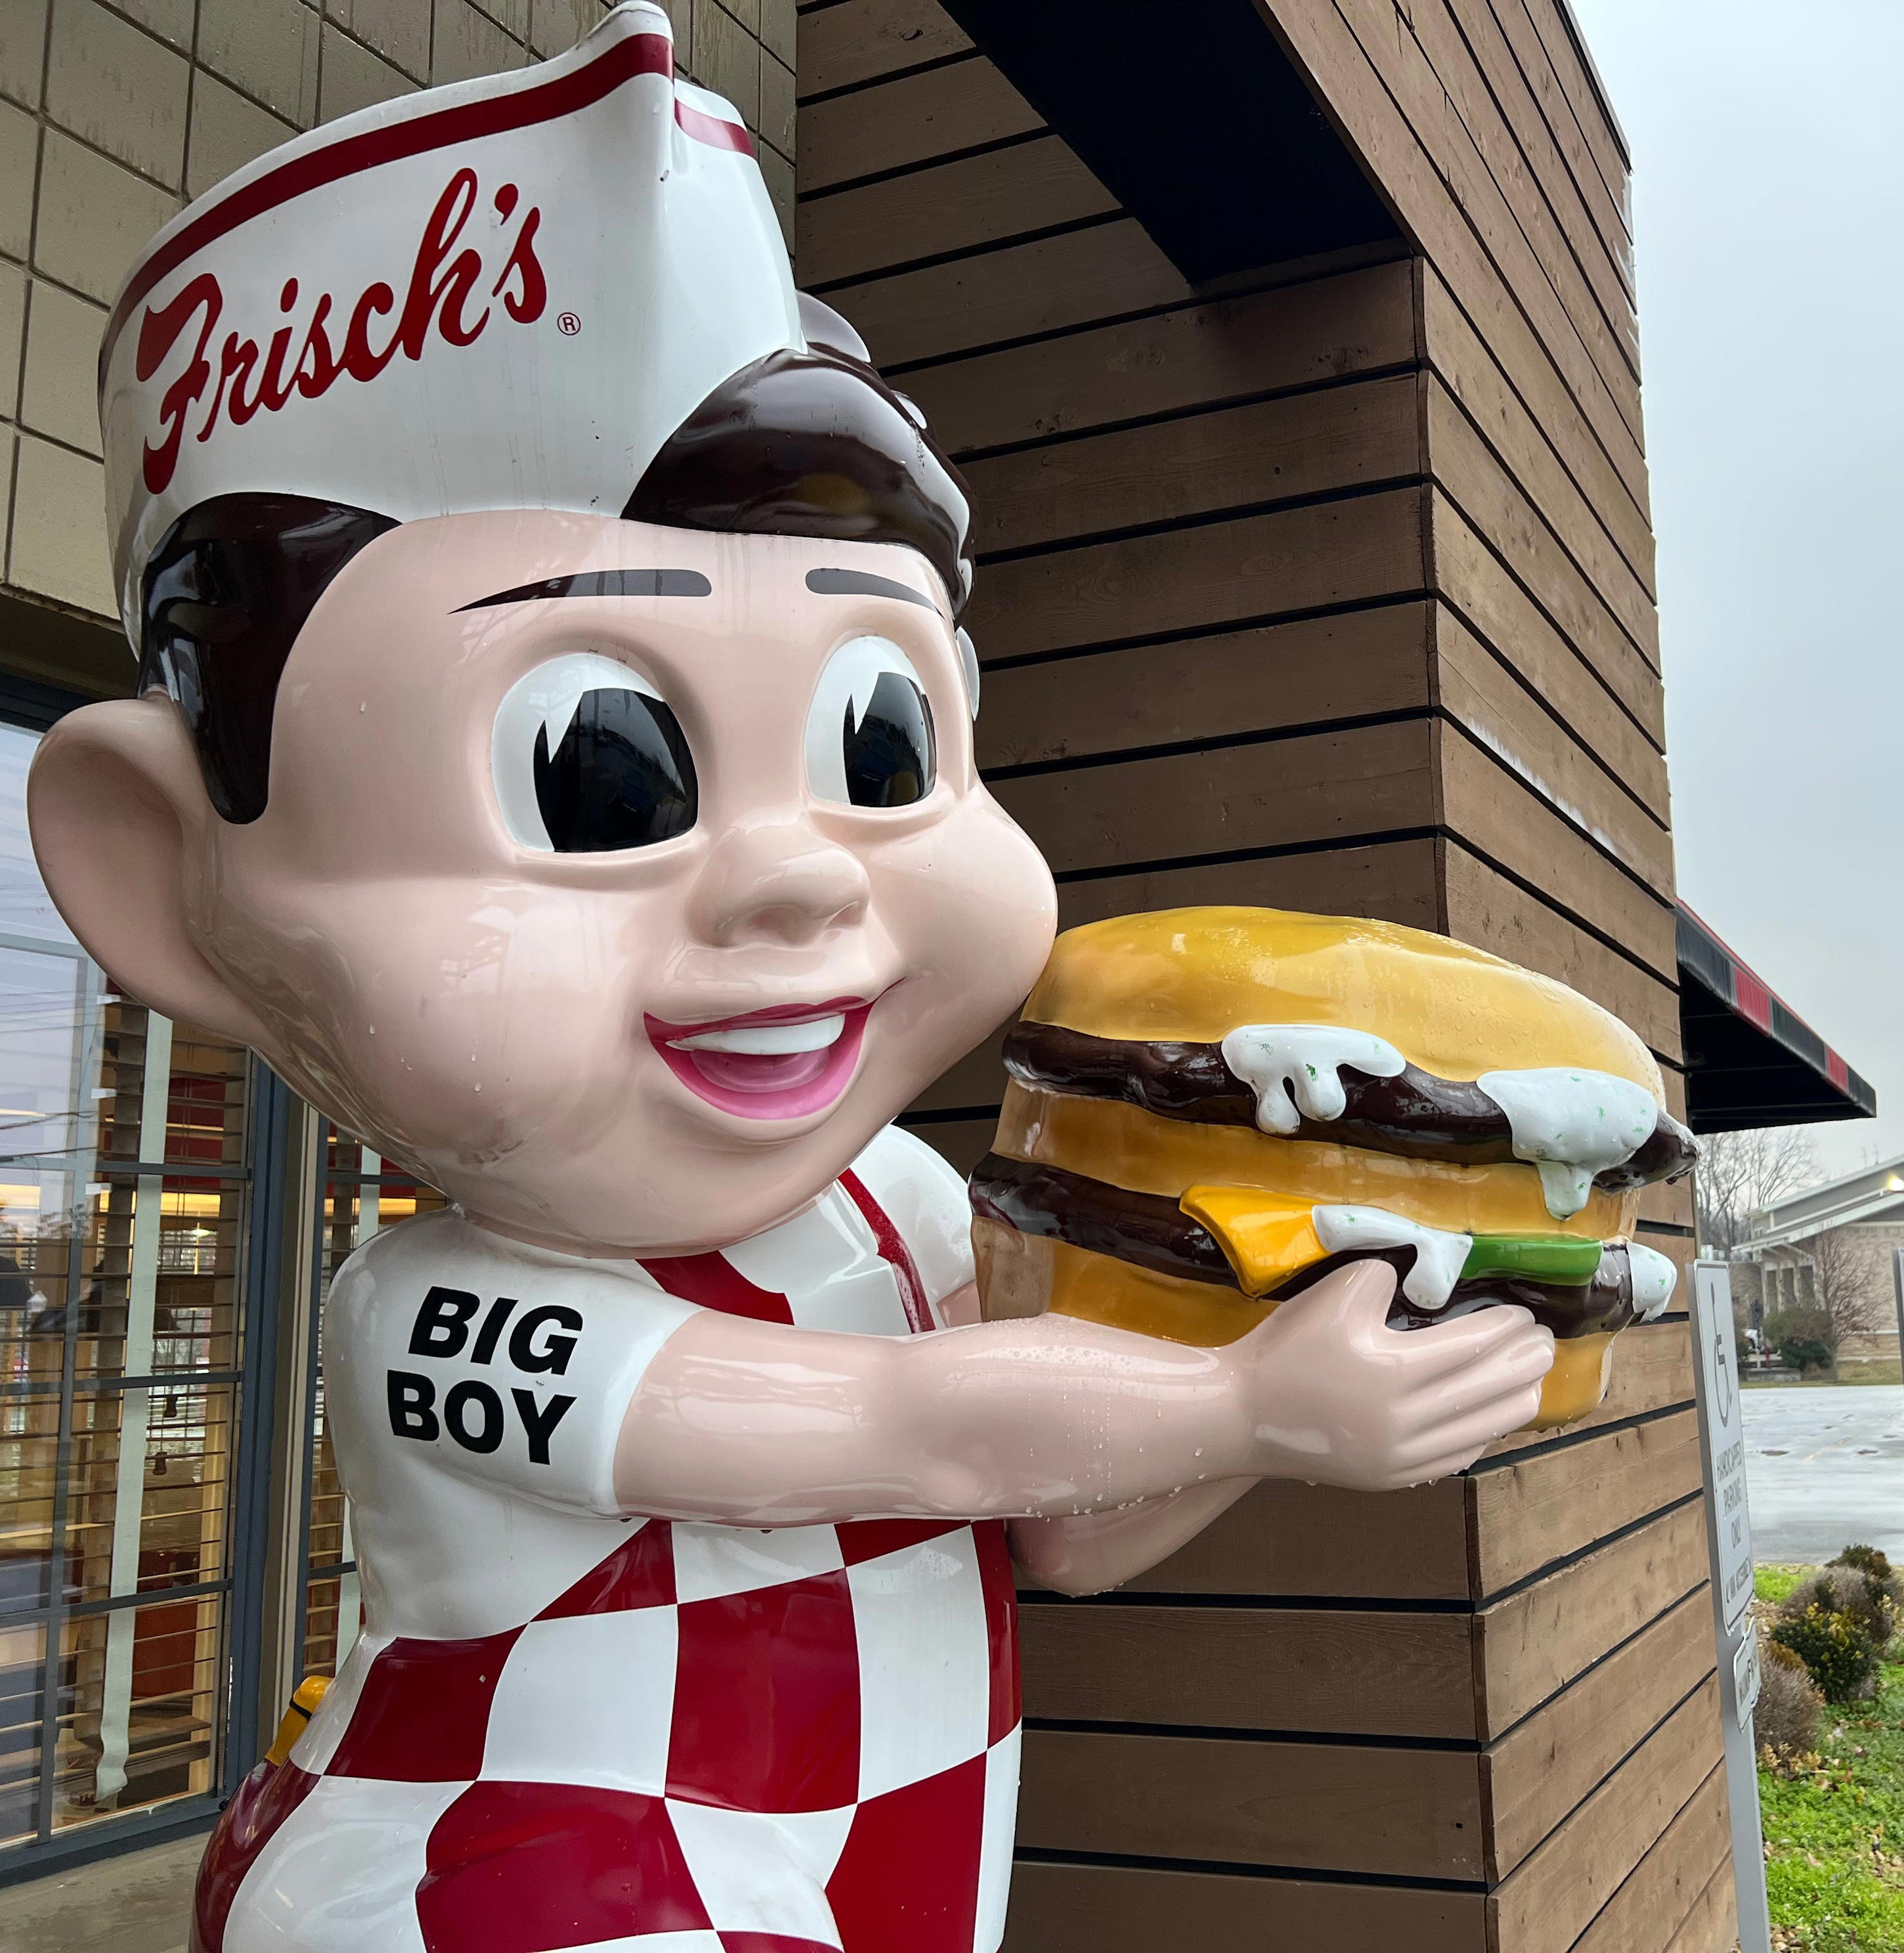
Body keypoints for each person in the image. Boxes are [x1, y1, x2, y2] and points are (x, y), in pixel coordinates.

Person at [28, 11, 1554, 1949]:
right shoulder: (432, 1312)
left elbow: (1062, 1527)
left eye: (880, 751)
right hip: (528, 1874)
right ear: (176, 885)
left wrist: (1323, 1374)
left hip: (894, 1878)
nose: (796, 880)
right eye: (602, 774)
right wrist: (1248, 1402)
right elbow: (892, 1436)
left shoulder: (905, 1201)